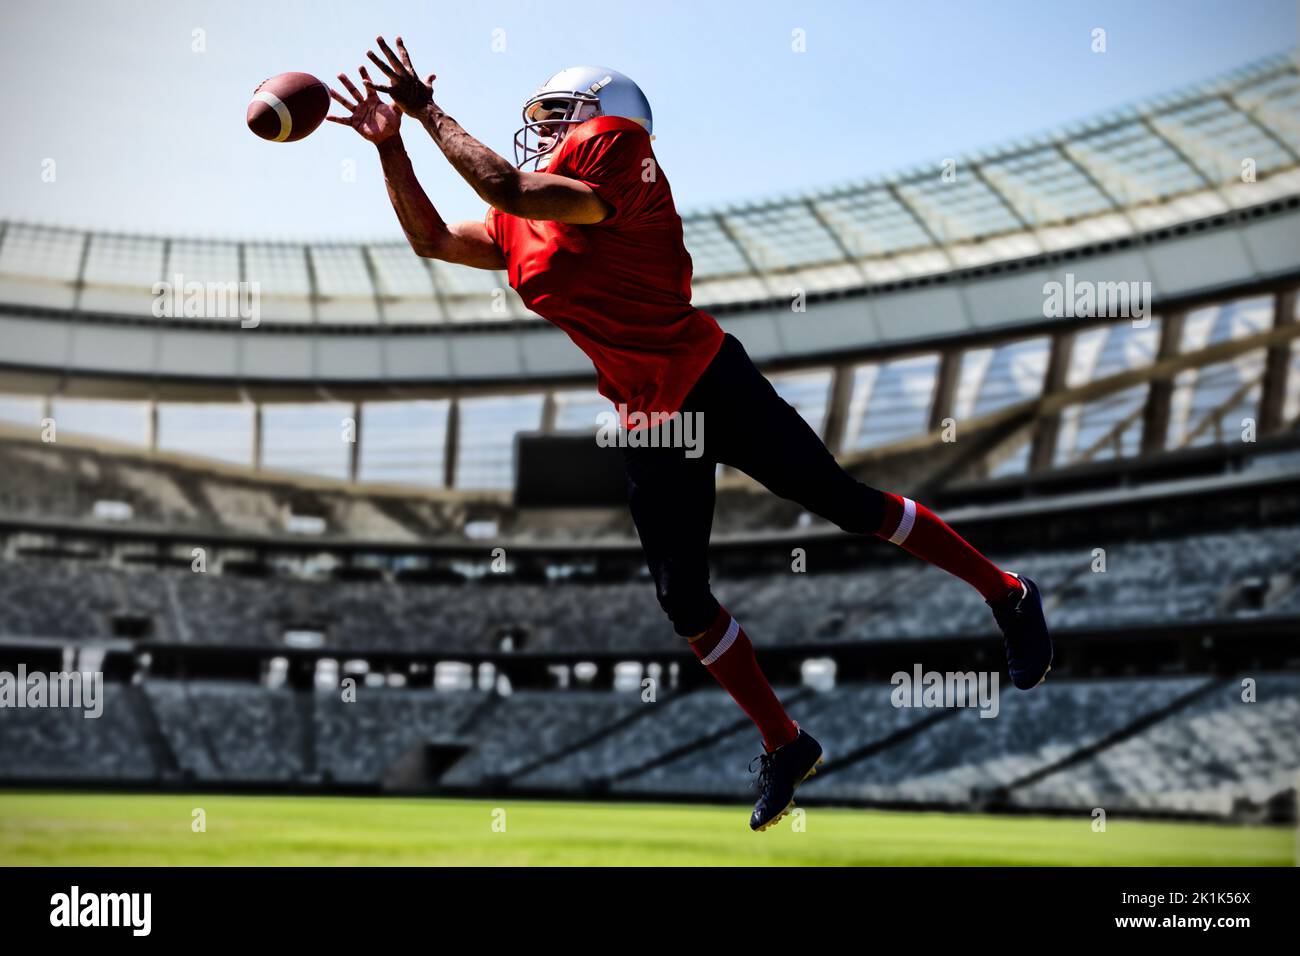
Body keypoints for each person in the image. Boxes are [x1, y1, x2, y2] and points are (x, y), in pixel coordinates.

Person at [328, 37, 1052, 831]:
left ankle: (1008, 595)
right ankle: (785, 742)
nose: (542, 130)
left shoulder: (617, 151)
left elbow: (507, 182)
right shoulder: (519, 220)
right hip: (646, 418)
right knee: (683, 600)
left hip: (707, 376)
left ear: (603, 117)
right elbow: (435, 240)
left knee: (845, 502)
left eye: (557, 116)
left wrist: (427, 109)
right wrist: (393, 145)